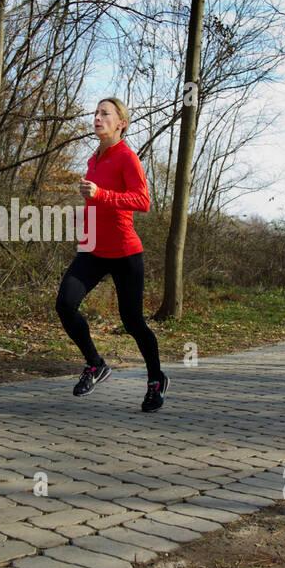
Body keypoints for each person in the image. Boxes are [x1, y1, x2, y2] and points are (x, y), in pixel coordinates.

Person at [55, 96, 169, 412]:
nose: (97, 117)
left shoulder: (126, 157)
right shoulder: (94, 159)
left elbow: (142, 200)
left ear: (121, 123)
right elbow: (96, 204)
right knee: (65, 304)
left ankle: (156, 380)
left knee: (132, 322)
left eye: (105, 113)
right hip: (93, 248)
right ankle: (95, 364)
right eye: (95, 112)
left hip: (124, 251)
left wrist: (101, 194)